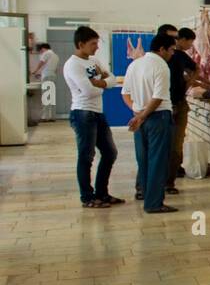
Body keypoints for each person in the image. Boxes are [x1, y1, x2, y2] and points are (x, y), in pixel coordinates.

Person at [63, 26, 122, 208]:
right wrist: (103, 84)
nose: (97, 47)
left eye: (97, 43)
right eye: (93, 44)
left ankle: (102, 193)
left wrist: (99, 82)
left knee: (110, 153)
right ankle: (87, 197)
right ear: (81, 44)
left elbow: (113, 79)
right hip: (82, 113)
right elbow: (88, 92)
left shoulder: (94, 60)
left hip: (97, 112)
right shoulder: (73, 65)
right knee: (86, 156)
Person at [122, 33, 178, 214]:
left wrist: (137, 112)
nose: (172, 54)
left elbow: (125, 93)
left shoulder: (135, 64)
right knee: (158, 160)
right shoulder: (161, 66)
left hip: (141, 118)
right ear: (162, 49)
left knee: (144, 159)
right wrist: (142, 115)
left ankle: (147, 196)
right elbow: (158, 97)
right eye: (171, 50)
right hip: (157, 117)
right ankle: (154, 203)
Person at [166, 26, 210, 194]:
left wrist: (200, 83)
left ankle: (167, 179)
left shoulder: (176, 56)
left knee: (171, 144)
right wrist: (194, 83)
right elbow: (194, 71)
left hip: (172, 103)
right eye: (190, 42)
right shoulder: (175, 56)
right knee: (173, 145)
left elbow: (191, 73)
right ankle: (167, 181)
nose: (190, 46)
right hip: (171, 104)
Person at [34, 42, 60, 120]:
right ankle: (52, 117)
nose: (40, 53)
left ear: (43, 48)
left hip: (46, 76)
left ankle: (45, 117)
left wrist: (35, 71)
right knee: (52, 97)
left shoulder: (46, 53)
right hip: (53, 76)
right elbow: (55, 69)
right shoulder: (56, 56)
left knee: (46, 96)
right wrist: (41, 74)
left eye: (40, 51)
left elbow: (41, 62)